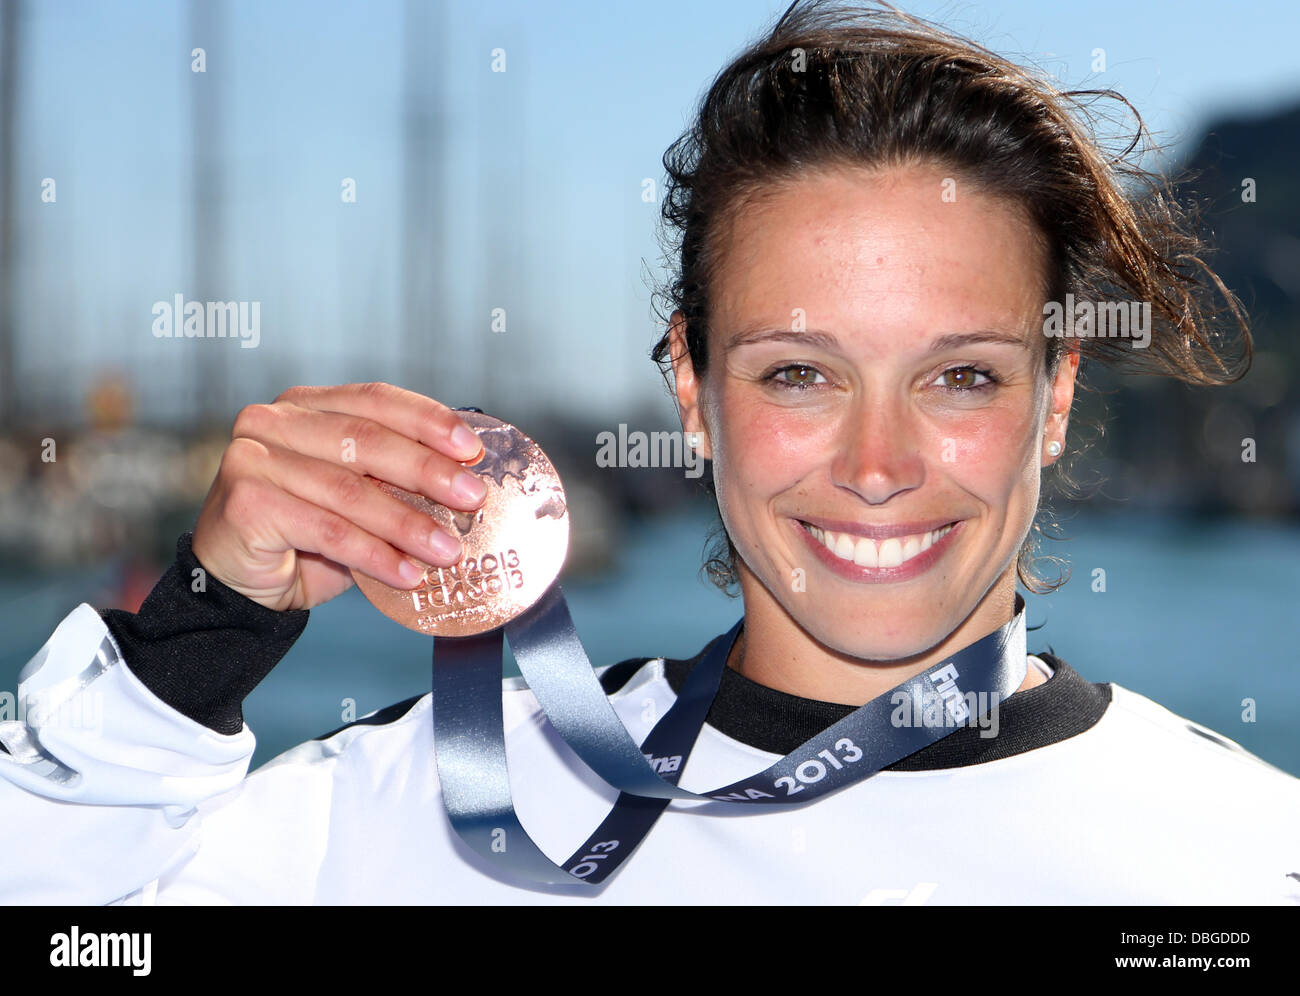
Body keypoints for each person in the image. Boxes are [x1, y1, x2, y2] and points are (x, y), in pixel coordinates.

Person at [3, 0, 1298, 905]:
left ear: (1057, 396)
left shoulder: (1248, 858)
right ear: (690, 387)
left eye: (962, 376)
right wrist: (199, 638)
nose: (881, 459)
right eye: (800, 372)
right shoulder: (428, 802)